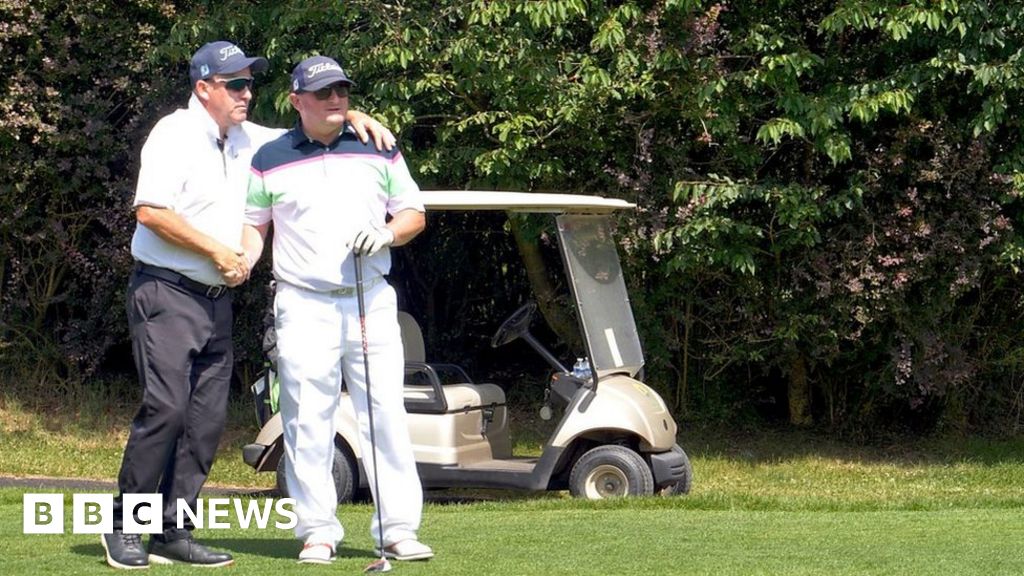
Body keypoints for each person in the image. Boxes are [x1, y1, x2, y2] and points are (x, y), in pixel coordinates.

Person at [102, 41, 396, 570]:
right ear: (204, 89)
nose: (247, 93)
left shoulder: (246, 137)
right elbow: (150, 212)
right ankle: (127, 527)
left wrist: (348, 112)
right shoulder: (174, 134)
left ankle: (173, 530)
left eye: (250, 82)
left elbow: (311, 130)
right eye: (235, 84)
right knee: (166, 410)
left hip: (216, 300)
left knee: (205, 420)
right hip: (166, 291)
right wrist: (218, 250)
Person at [241, 55, 432, 564]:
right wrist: (239, 261)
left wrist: (389, 232)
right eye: (324, 93)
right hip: (303, 304)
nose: (336, 100)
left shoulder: (378, 147)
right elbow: (254, 225)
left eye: (342, 91)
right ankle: (317, 531)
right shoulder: (269, 155)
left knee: (385, 414)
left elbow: (413, 212)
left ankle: (397, 530)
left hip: (369, 297)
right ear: (297, 101)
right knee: (307, 419)